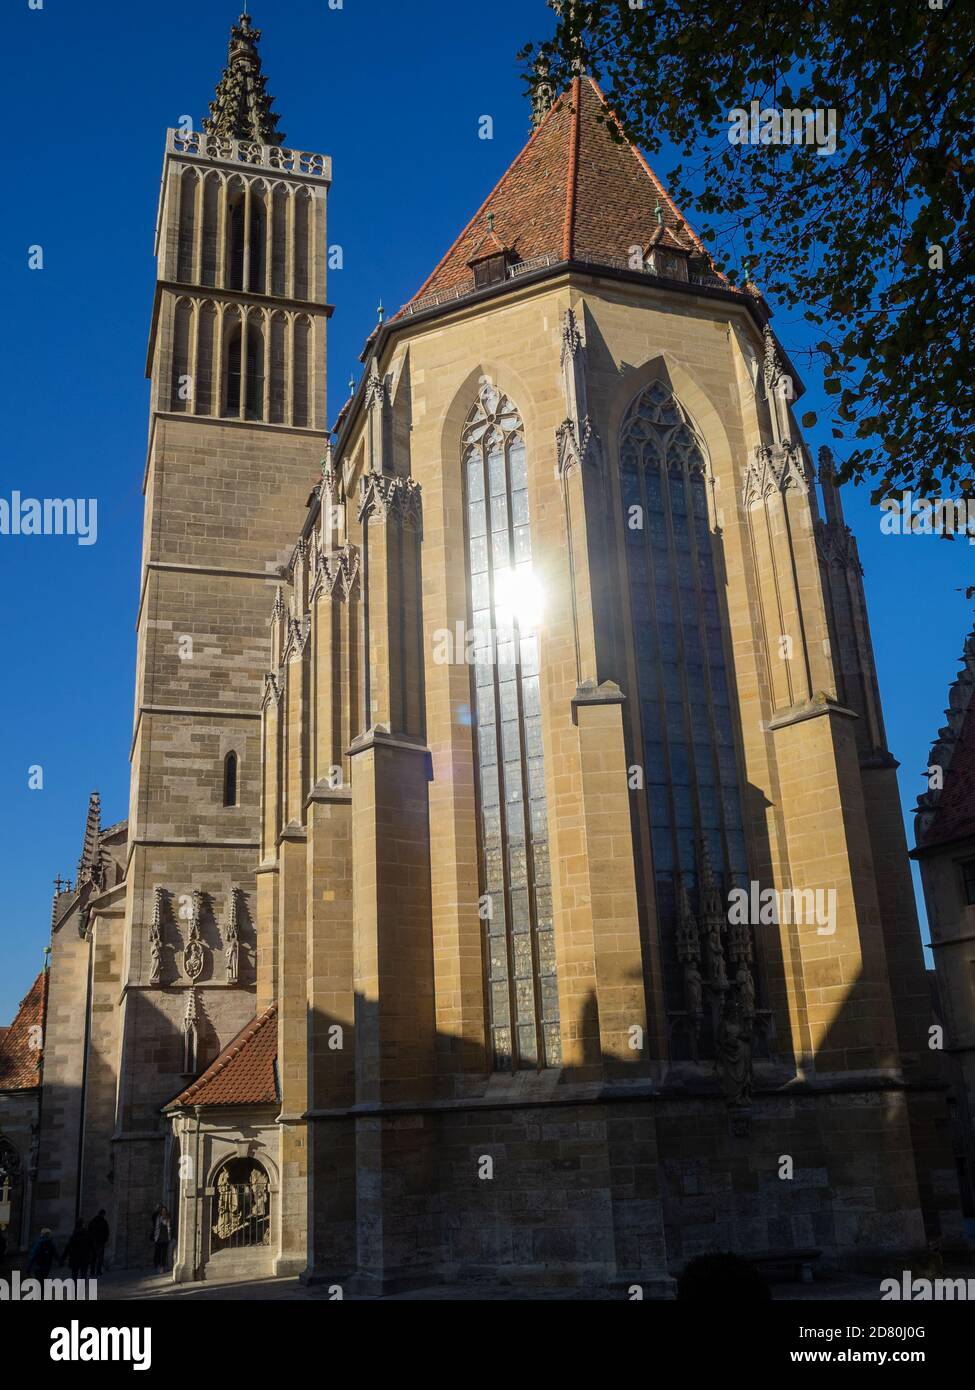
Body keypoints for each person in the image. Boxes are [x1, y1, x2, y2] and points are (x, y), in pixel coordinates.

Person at [88, 1209, 109, 1275]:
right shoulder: (104, 1222)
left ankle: (92, 1272)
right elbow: (107, 1232)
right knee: (100, 1257)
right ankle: (98, 1271)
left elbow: (89, 1231)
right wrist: (105, 1239)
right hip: (100, 1242)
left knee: (93, 1258)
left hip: (93, 1241)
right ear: (103, 1214)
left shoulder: (92, 1221)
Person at [151, 1206, 172, 1272]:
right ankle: (157, 1264)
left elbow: (169, 1228)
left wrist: (170, 1237)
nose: (164, 1212)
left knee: (164, 1253)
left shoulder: (168, 1218)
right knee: (158, 1253)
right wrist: (155, 1237)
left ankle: (162, 1266)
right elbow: (156, 1227)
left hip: (165, 1239)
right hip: (159, 1238)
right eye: (162, 1211)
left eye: (165, 1211)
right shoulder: (158, 1218)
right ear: (161, 1212)